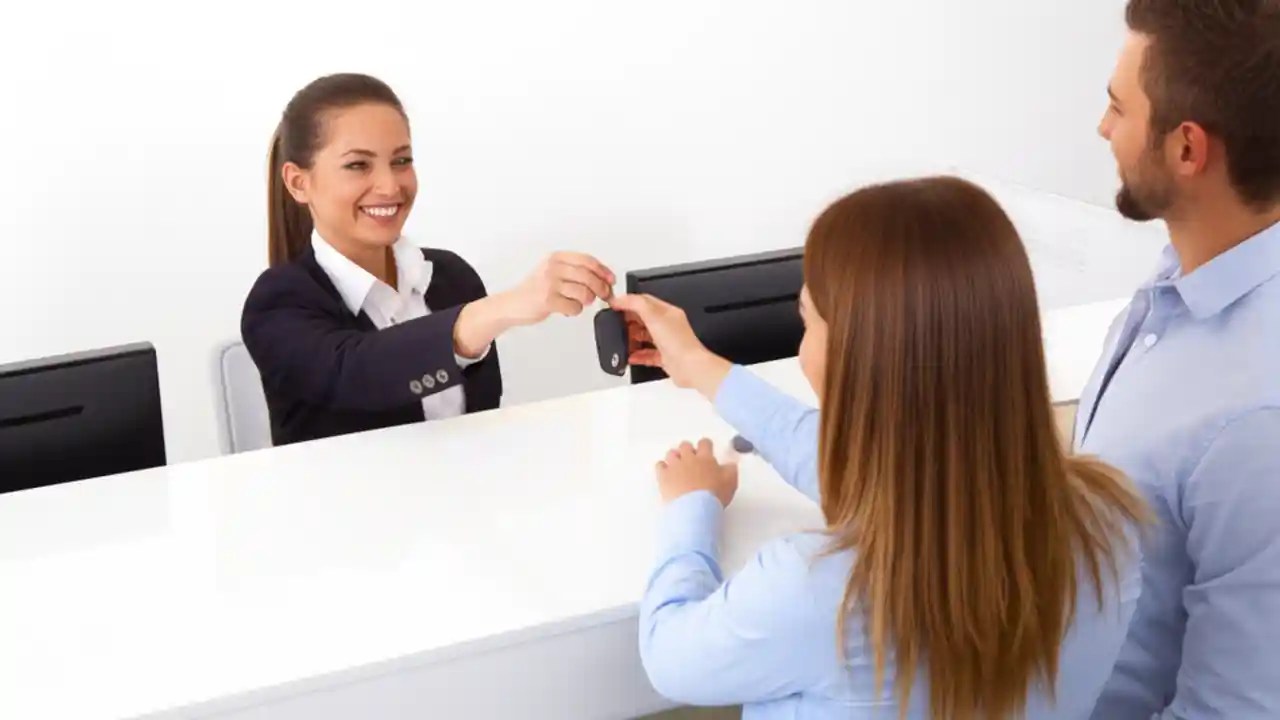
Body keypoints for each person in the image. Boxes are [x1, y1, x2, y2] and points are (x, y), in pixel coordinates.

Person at [616, 177, 1151, 720]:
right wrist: (702, 368)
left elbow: (668, 656)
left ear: (856, 360)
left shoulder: (818, 592)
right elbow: (873, 469)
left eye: (808, 321)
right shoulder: (1108, 527)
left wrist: (690, 509)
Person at [1084, 2, 1280, 717]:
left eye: (1118, 108)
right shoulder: (1181, 279)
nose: (1103, 128)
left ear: (1187, 149)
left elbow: (1238, 707)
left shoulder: (1256, 416)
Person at [242, 74, 615, 446]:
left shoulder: (451, 278)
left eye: (401, 160)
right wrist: (505, 307)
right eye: (358, 165)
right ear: (297, 182)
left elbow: (481, 425)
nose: (390, 186)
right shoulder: (277, 304)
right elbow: (358, 373)